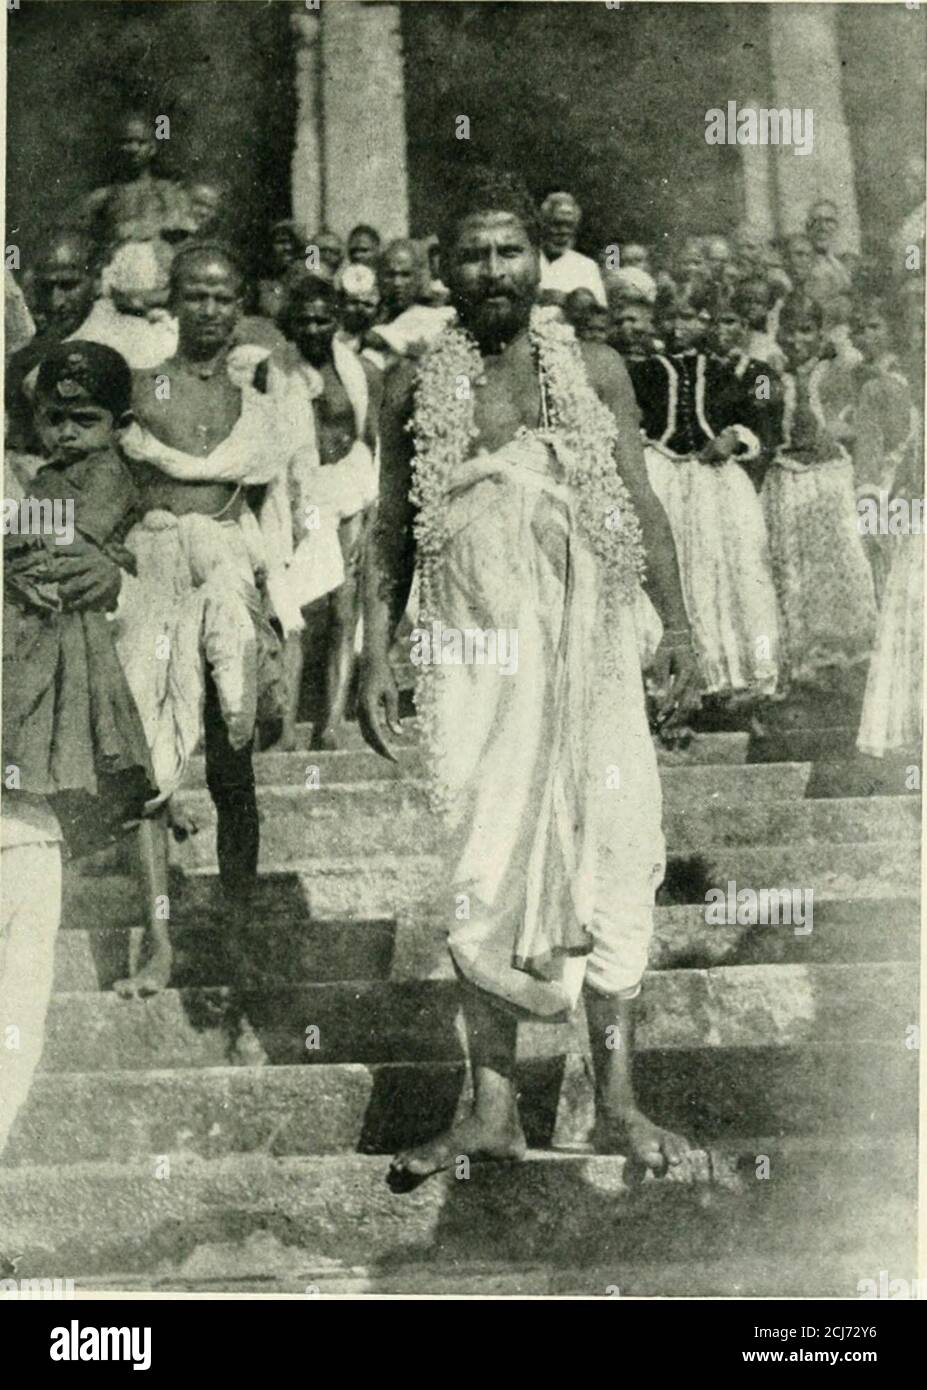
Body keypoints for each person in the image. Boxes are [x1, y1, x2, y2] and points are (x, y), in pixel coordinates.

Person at [361, 168, 700, 1189]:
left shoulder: (593, 365)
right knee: (483, 855)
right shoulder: (411, 384)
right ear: (443, 268)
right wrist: (379, 654)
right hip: (471, 655)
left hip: (587, 648)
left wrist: (677, 624)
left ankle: (622, 1103)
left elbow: (639, 501)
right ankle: (493, 1110)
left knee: (614, 838)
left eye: (511, 251)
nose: (494, 269)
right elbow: (390, 529)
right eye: (474, 253)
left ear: (538, 262)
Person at [114, 242, 294, 982]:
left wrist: (273, 619)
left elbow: (273, 524)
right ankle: (159, 945)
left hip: (227, 576)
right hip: (151, 574)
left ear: (240, 304)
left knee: (231, 760)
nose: (210, 312)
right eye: (196, 296)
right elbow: (105, 484)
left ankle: (241, 933)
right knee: (151, 770)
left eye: (223, 298)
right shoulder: (140, 388)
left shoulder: (257, 407)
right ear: (172, 302)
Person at [2, 342, 157, 1149]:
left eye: (84, 421)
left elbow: (70, 548)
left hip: (67, 647)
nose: (66, 434)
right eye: (53, 419)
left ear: (119, 427)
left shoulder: (101, 479)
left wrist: (23, 548)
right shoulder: (42, 479)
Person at [625, 284, 780, 700]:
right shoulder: (644, 371)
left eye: (692, 318)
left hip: (713, 479)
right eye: (673, 318)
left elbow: (759, 424)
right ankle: (663, 679)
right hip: (664, 471)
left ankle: (725, 677)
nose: (681, 326)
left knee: (722, 565)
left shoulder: (734, 373)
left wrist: (733, 436)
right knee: (670, 560)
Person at [273, 273, 382, 750]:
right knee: (292, 606)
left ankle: (331, 723)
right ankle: (283, 728)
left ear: (336, 320)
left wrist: (368, 513)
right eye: (305, 322)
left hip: (349, 486)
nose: (314, 330)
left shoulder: (358, 372)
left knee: (345, 603)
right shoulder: (273, 372)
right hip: (296, 490)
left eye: (323, 320)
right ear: (291, 325)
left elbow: (370, 444)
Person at [761, 296, 877, 691]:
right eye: (789, 330)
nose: (797, 339)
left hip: (829, 475)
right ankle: (800, 664)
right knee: (792, 563)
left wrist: (841, 428)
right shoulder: (770, 373)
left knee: (836, 560)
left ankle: (842, 660)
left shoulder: (839, 368)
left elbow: (865, 405)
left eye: (806, 330)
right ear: (778, 333)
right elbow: (760, 414)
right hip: (788, 475)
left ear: (820, 333)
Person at [6, 230, 99, 453]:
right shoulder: (25, 356)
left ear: (98, 279)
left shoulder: (134, 340)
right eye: (46, 288)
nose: (56, 302)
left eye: (69, 286)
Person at [74, 109, 191, 255]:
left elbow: (182, 236)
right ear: (117, 147)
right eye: (127, 142)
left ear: (152, 148)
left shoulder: (169, 192)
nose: (133, 148)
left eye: (141, 142)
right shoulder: (101, 197)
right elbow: (79, 238)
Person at [367, 239, 455, 362]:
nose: (397, 283)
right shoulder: (368, 315)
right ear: (378, 276)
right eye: (390, 275)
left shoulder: (437, 317)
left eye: (405, 275)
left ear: (418, 277)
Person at [537, 191, 606, 307]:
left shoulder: (587, 267)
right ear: (543, 224)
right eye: (557, 224)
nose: (563, 232)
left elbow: (598, 315)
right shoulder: (528, 259)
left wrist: (566, 301)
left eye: (569, 225)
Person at [257, 220, 305, 322]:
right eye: (281, 242)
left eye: (293, 242)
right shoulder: (265, 281)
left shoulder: (307, 277)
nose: (288, 247)